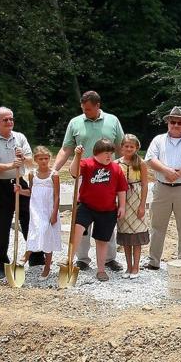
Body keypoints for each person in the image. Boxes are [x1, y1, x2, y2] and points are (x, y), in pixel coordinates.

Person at [54, 91, 125, 271]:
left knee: (108, 216)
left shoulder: (112, 121)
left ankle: (109, 258)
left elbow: (121, 147)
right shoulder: (75, 122)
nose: (85, 112)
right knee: (82, 218)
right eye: (83, 109)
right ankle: (82, 258)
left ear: (97, 106)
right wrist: (54, 170)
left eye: (88, 109)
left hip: (109, 176)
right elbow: (66, 148)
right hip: (84, 174)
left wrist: (126, 168)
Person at [145, 106, 181, 268]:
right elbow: (150, 159)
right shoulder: (158, 140)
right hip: (162, 187)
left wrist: (179, 173)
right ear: (168, 123)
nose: (176, 125)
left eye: (180, 122)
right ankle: (153, 261)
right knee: (157, 226)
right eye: (173, 122)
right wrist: (166, 171)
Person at [0, 106, 32, 280]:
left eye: (11, 119)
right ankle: (2, 265)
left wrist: (22, 158)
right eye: (5, 120)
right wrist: (12, 165)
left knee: (30, 220)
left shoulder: (20, 138)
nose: (9, 122)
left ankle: (35, 258)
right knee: (1, 226)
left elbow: (31, 160)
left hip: (19, 182)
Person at [70, 139, 128, 282]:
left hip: (108, 209)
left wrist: (122, 206)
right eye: (106, 153)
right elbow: (74, 172)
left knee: (102, 240)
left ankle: (101, 269)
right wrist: (77, 156)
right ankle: (69, 262)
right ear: (97, 153)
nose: (109, 156)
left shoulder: (116, 168)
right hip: (86, 206)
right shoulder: (88, 163)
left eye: (111, 153)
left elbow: (121, 189)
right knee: (77, 230)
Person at [21, 146, 62, 277]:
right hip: (36, 208)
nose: (44, 161)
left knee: (47, 234)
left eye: (46, 158)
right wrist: (20, 191)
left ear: (49, 159)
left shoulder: (54, 175)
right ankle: (26, 254)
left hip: (49, 208)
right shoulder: (32, 174)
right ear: (35, 160)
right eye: (40, 159)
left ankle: (47, 265)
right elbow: (31, 191)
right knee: (37, 229)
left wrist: (55, 213)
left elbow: (57, 195)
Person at [117, 134, 149, 278]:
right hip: (123, 199)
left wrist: (142, 205)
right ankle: (128, 266)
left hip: (136, 200)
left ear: (136, 148)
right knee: (126, 235)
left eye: (132, 146)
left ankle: (136, 267)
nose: (129, 148)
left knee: (136, 236)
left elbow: (144, 184)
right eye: (126, 146)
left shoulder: (141, 163)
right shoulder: (117, 163)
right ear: (121, 147)